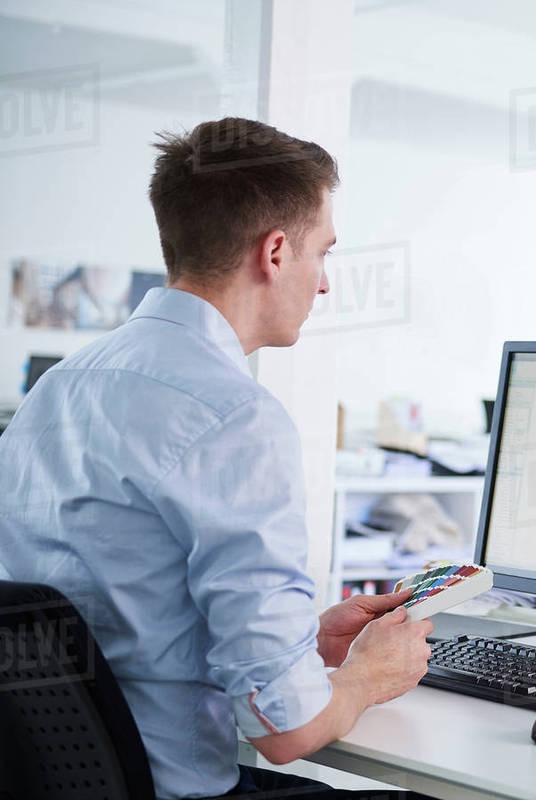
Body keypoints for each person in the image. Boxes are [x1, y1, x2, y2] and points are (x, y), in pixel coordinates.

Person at [0, 118, 435, 799]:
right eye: (323, 253)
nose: (325, 284)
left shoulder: (56, 389)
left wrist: (303, 642)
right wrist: (367, 676)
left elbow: (117, 617)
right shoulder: (236, 417)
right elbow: (286, 732)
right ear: (276, 252)